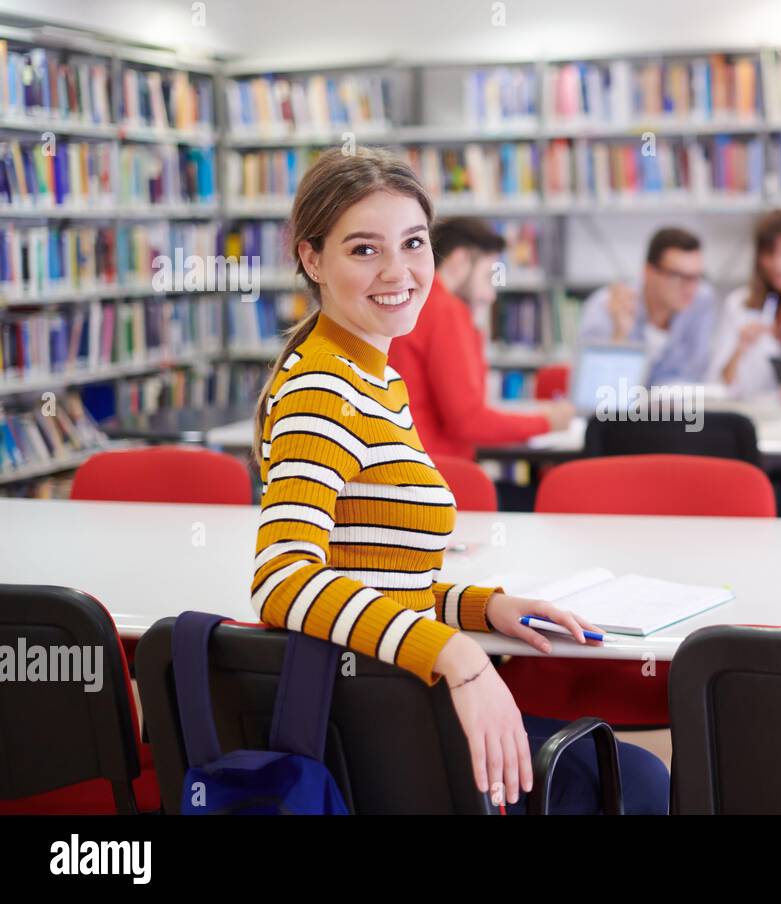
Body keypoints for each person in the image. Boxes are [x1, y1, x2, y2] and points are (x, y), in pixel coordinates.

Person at [251, 147, 668, 814]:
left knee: (629, 771)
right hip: (378, 725)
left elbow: (374, 574)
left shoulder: (372, 376)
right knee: (641, 782)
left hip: (387, 701)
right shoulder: (326, 386)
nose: (399, 271)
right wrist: (457, 655)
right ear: (311, 259)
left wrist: (479, 607)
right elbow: (282, 579)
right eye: (364, 250)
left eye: (413, 243)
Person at [388, 217, 573, 460]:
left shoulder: (418, 303)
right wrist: (548, 422)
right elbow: (469, 421)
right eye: (487, 276)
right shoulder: (445, 310)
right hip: (442, 475)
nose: (490, 295)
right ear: (459, 261)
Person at [708, 210, 781, 403]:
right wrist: (740, 348)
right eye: (770, 253)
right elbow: (720, 385)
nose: (778, 265)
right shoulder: (738, 304)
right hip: (758, 416)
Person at [580, 226, 717, 385]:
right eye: (678, 276)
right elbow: (593, 388)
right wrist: (620, 335)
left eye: (696, 276)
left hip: (677, 408)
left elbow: (696, 372)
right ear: (649, 272)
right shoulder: (607, 306)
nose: (690, 288)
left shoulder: (701, 300)